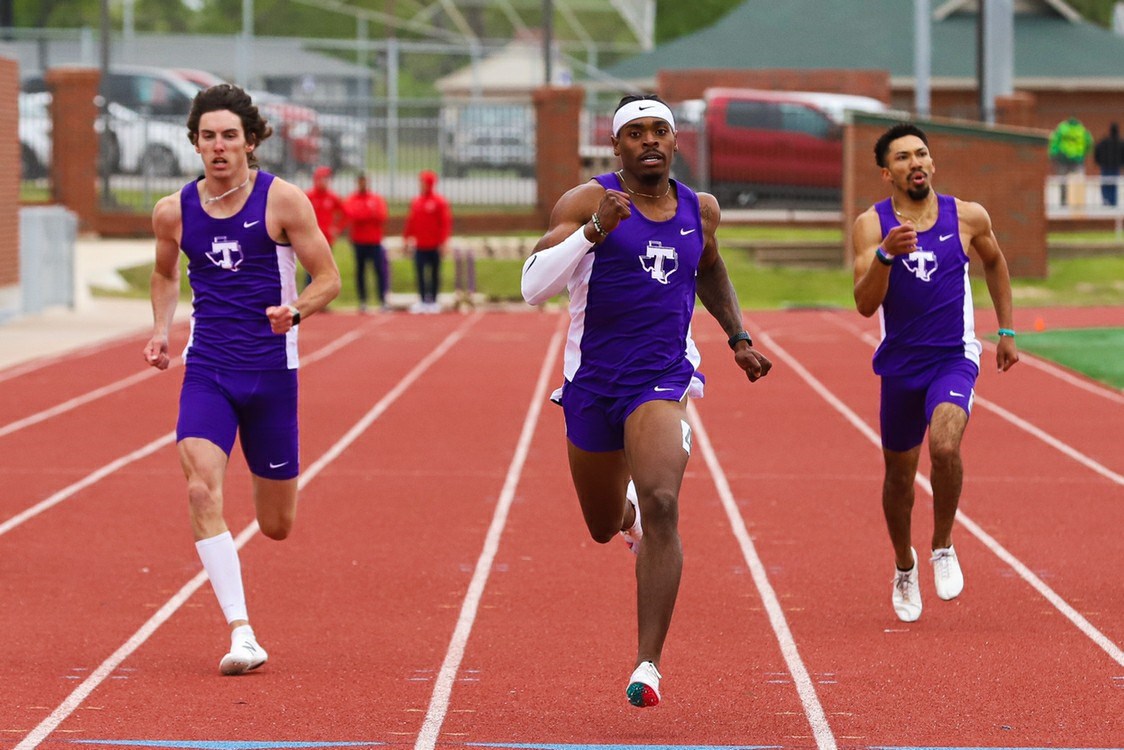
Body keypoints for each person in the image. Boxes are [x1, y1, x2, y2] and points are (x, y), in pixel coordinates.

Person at [520, 94, 772, 707]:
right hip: (592, 383)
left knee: (664, 500)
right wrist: (593, 231)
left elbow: (710, 269)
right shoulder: (585, 202)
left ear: (676, 141)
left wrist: (737, 337)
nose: (651, 141)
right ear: (617, 146)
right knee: (604, 524)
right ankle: (626, 518)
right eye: (637, 133)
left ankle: (647, 665)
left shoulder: (700, 209)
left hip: (662, 376)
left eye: (661, 130)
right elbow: (532, 287)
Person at [143, 84, 341, 675]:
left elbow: (328, 277)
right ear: (196, 144)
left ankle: (246, 617)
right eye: (209, 136)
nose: (220, 146)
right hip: (208, 370)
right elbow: (163, 274)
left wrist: (296, 310)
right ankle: (242, 632)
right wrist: (161, 330)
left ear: (250, 141)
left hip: (271, 376)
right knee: (201, 489)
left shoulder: (284, 202)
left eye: (230, 135)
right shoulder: (172, 211)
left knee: (276, 525)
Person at [851, 123, 1019, 624]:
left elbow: (995, 263)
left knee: (945, 446)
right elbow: (863, 305)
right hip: (900, 365)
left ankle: (942, 544)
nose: (915, 162)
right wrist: (885, 254)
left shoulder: (966, 216)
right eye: (902, 157)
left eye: (921, 153)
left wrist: (1006, 330)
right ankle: (905, 565)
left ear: (932, 163)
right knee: (899, 479)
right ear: (887, 172)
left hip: (954, 355)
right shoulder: (871, 224)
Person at [403, 169, 452, 313]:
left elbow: (445, 223)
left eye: (422, 182)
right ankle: (423, 300)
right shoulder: (416, 201)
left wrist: (443, 242)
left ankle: (434, 301)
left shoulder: (439, 202)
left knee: (435, 273)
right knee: (420, 273)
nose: (420, 185)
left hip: (434, 245)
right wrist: (406, 238)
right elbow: (411, 222)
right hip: (420, 245)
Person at [343, 173, 390, 312]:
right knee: (360, 271)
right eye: (360, 181)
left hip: (375, 241)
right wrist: (368, 213)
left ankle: (382, 300)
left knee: (379, 271)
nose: (362, 184)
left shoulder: (376, 199)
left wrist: (362, 214)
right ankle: (363, 300)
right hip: (358, 241)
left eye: (364, 181)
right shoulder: (352, 198)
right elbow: (351, 214)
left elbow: (381, 215)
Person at [305, 165, 345, 287]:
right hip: (311, 239)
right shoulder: (308, 196)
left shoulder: (333, 197)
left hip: (327, 239)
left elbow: (345, 214)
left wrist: (337, 229)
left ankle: (322, 300)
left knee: (325, 270)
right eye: (321, 178)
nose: (324, 181)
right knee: (310, 269)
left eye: (326, 179)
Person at [1048, 116, 1093, 206]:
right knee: (1078, 182)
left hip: (1063, 159)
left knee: (1063, 182)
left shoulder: (1062, 128)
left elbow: (1054, 142)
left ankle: (1063, 201)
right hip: (1078, 159)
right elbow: (1089, 142)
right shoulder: (1082, 130)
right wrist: (1085, 154)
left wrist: (1053, 155)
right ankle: (1078, 203)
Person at [1093, 122, 1123, 207]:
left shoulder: (1103, 142)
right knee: (1113, 185)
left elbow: (1097, 151)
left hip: (1105, 167)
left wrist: (1098, 162)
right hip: (1115, 167)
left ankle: (1106, 201)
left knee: (1105, 184)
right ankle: (1113, 203)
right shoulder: (1121, 142)